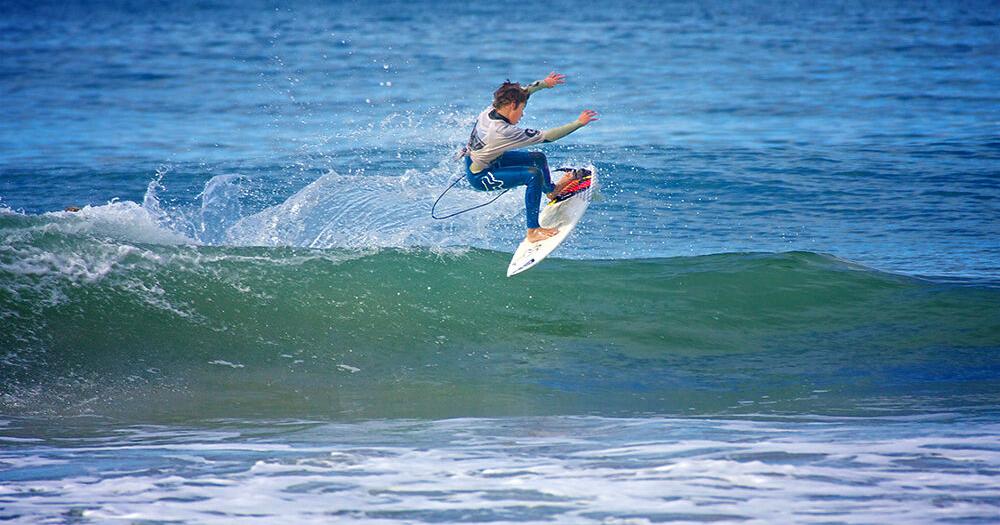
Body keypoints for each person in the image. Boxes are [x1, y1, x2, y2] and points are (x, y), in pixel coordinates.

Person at [463, 72, 598, 243]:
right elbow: (549, 137)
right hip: (481, 176)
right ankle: (533, 230)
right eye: (521, 109)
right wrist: (578, 123)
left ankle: (551, 191)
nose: (522, 115)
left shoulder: (491, 110)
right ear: (512, 106)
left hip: (483, 160)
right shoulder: (502, 131)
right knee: (533, 174)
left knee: (538, 158)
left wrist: (544, 83)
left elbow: (523, 93)